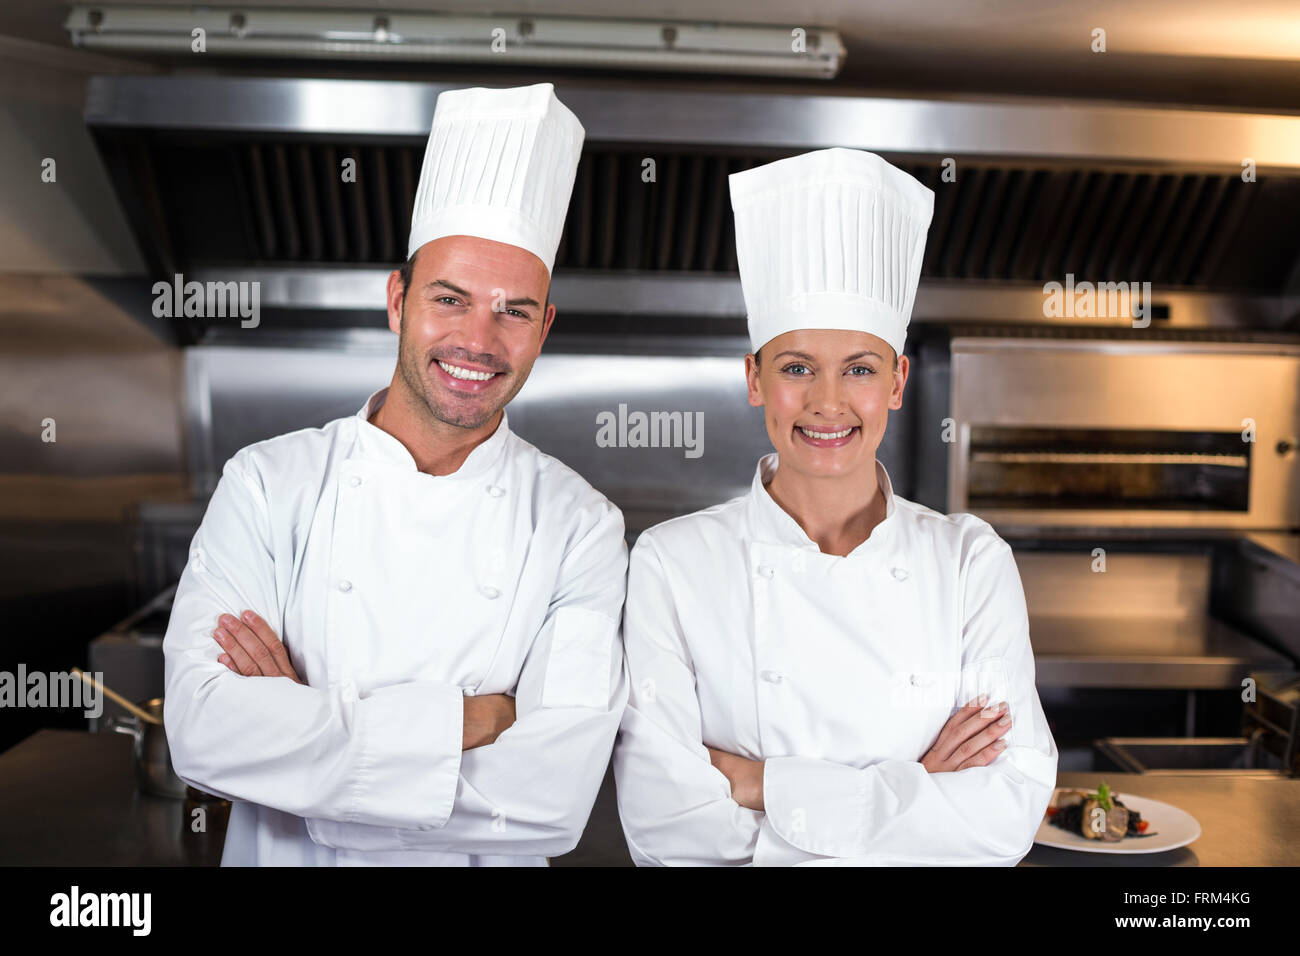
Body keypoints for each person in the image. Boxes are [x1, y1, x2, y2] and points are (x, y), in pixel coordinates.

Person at [163, 83, 628, 866]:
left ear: (544, 327)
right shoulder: (269, 484)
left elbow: (549, 802)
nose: (478, 339)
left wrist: (301, 740)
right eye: (450, 299)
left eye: (514, 310)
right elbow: (205, 734)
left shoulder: (582, 526)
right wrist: (470, 722)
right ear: (397, 301)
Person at [612, 147, 1058, 866]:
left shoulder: (969, 561)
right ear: (754, 378)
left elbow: (1004, 817)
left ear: (898, 381)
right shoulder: (672, 562)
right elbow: (667, 830)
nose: (827, 402)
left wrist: (759, 784)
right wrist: (918, 789)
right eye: (796, 369)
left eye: (859, 369)